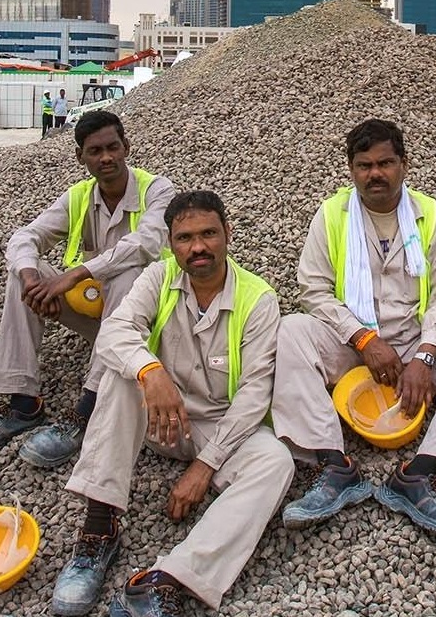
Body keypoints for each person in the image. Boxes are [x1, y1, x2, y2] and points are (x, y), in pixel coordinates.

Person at [49, 190, 292, 617]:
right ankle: (99, 529)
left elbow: (255, 392)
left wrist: (205, 466)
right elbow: (114, 333)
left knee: (276, 462)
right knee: (121, 373)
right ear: (170, 243)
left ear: (227, 235)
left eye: (208, 234)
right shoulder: (158, 279)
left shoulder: (258, 298)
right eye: (184, 238)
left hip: (219, 426)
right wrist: (150, 371)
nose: (197, 247)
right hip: (160, 418)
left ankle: (171, 579)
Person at [272, 119, 436, 542]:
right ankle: (334, 466)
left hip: (416, 339)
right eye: (364, 165)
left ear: (404, 164)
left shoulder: (432, 216)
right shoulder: (331, 216)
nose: (374, 174)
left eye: (385, 163)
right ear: (351, 169)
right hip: (353, 344)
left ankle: (418, 475)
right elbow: (313, 288)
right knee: (291, 330)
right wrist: (363, 339)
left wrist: (425, 356)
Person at [0, 111, 177, 467]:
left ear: (126, 147)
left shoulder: (157, 190)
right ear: (80, 157)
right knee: (24, 271)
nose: (106, 158)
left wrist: (72, 276)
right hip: (98, 313)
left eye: (113, 148)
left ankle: (88, 409)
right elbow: (26, 236)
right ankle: (22, 404)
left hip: (150, 326)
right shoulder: (79, 197)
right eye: (95, 151)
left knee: (128, 273)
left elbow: (146, 243)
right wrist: (33, 283)